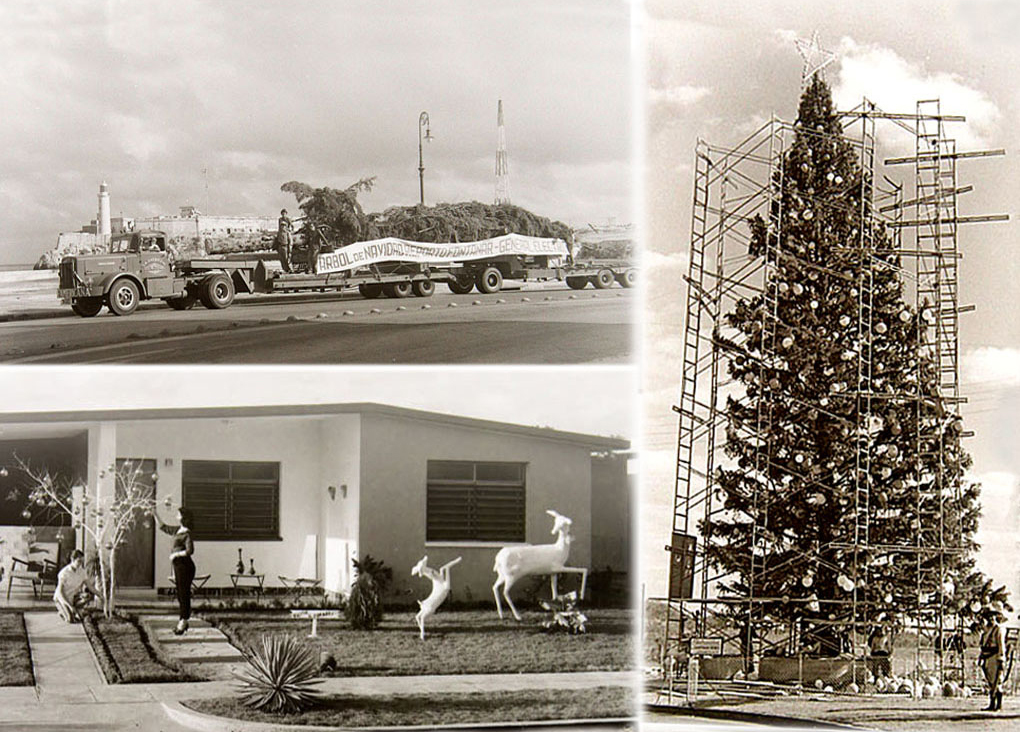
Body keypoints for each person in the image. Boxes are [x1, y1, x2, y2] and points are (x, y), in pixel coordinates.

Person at [157, 506, 196, 635]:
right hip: (178, 567)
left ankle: (183, 622)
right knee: (180, 594)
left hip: (185, 567)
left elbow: (190, 551)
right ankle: (183, 620)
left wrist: (176, 555)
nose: (176, 516)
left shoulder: (187, 533)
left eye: (178, 514)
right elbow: (163, 527)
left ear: (183, 517)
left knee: (184, 595)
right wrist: (154, 514)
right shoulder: (177, 530)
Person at [53, 549, 96, 623]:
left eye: (82, 562)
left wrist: (100, 595)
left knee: (88, 596)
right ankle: (63, 612)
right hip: (62, 599)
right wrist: (70, 606)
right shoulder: (64, 573)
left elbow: (90, 586)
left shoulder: (82, 571)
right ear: (72, 559)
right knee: (70, 620)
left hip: (73, 597)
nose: (80, 564)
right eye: (79, 561)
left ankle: (75, 610)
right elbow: (60, 592)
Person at [979, 603, 1006, 712]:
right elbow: (983, 645)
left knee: (996, 681)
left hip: (995, 657)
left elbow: (1001, 645)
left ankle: (998, 705)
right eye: (988, 616)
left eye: (992, 615)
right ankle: (991, 704)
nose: (990, 618)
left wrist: (1001, 659)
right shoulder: (986, 629)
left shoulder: (998, 629)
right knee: (990, 681)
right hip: (987, 657)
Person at [276, 208, 293, 273]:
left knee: (287, 259)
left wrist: (290, 249)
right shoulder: (279, 233)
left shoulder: (287, 233)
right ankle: (285, 269)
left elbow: (290, 242)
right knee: (281, 259)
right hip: (280, 246)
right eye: (281, 225)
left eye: (284, 226)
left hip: (285, 246)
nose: (282, 227)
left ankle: (290, 269)